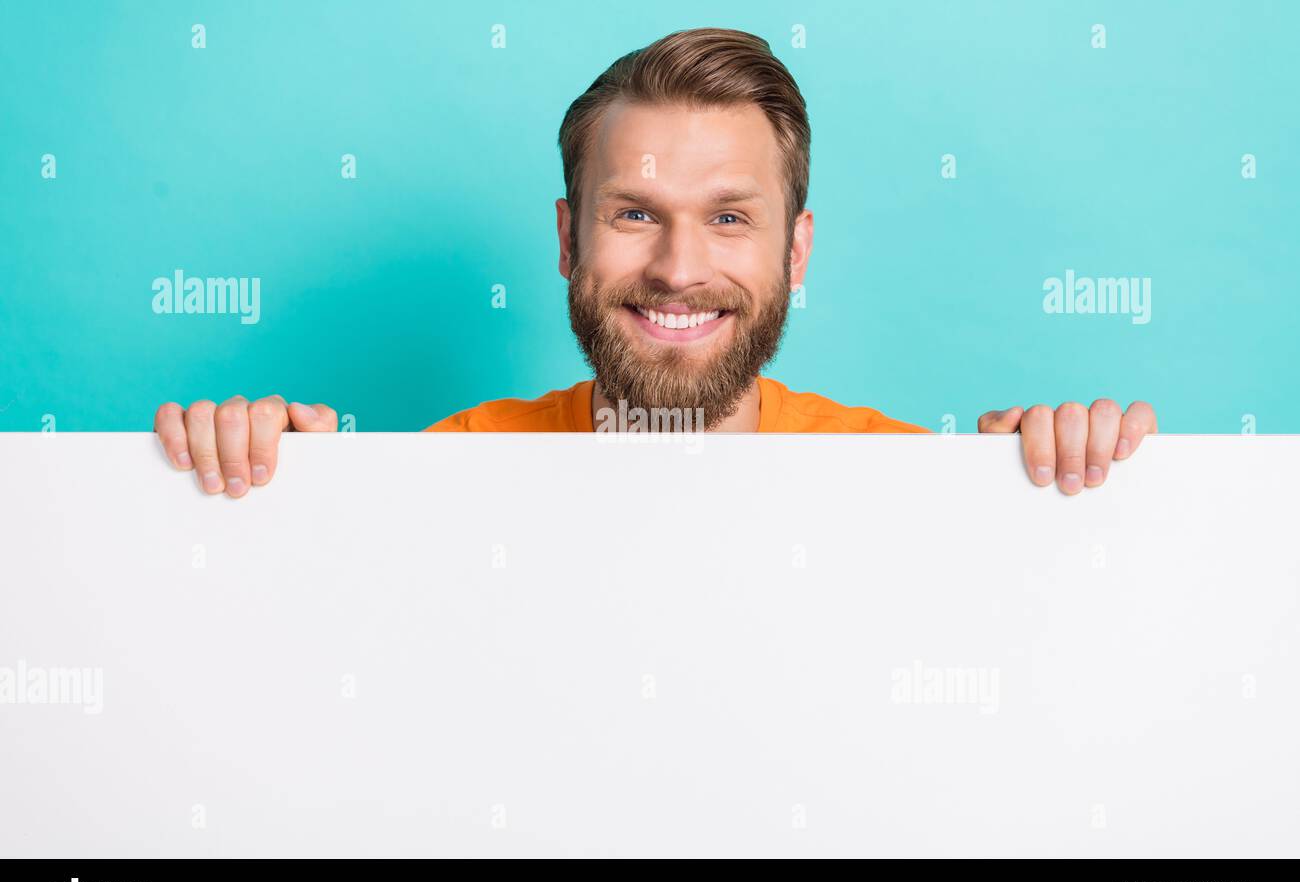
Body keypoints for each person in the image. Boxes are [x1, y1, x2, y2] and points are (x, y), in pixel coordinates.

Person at [153, 28, 1156, 499]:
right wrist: (248, 484)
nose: (678, 269)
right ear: (565, 240)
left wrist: (1070, 496)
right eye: (635, 212)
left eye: (728, 218)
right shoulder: (451, 468)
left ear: (794, 250)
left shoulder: (903, 482)